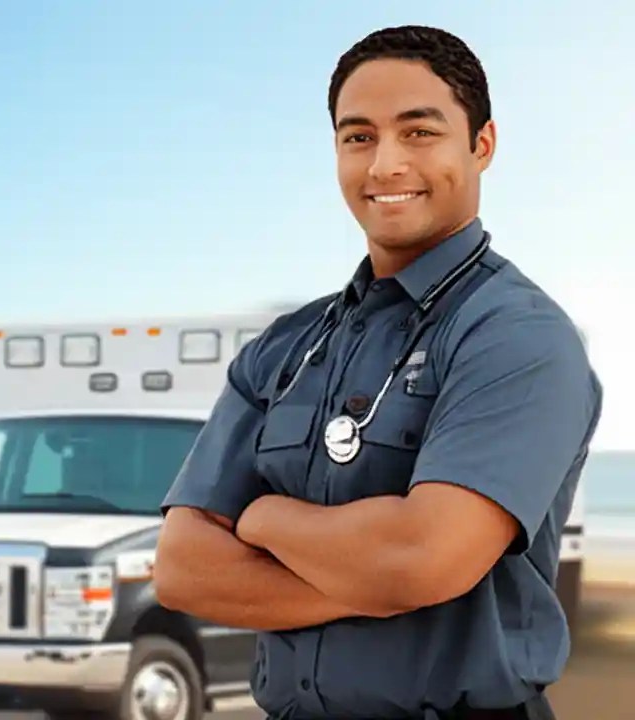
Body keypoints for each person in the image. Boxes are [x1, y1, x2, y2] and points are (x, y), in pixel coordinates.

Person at [152, 24, 602, 720]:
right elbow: (182, 569)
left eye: (418, 133)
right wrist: (388, 584)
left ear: (481, 145)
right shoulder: (286, 347)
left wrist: (264, 518)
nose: (384, 164)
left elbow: (423, 558)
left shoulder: (517, 336)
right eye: (358, 137)